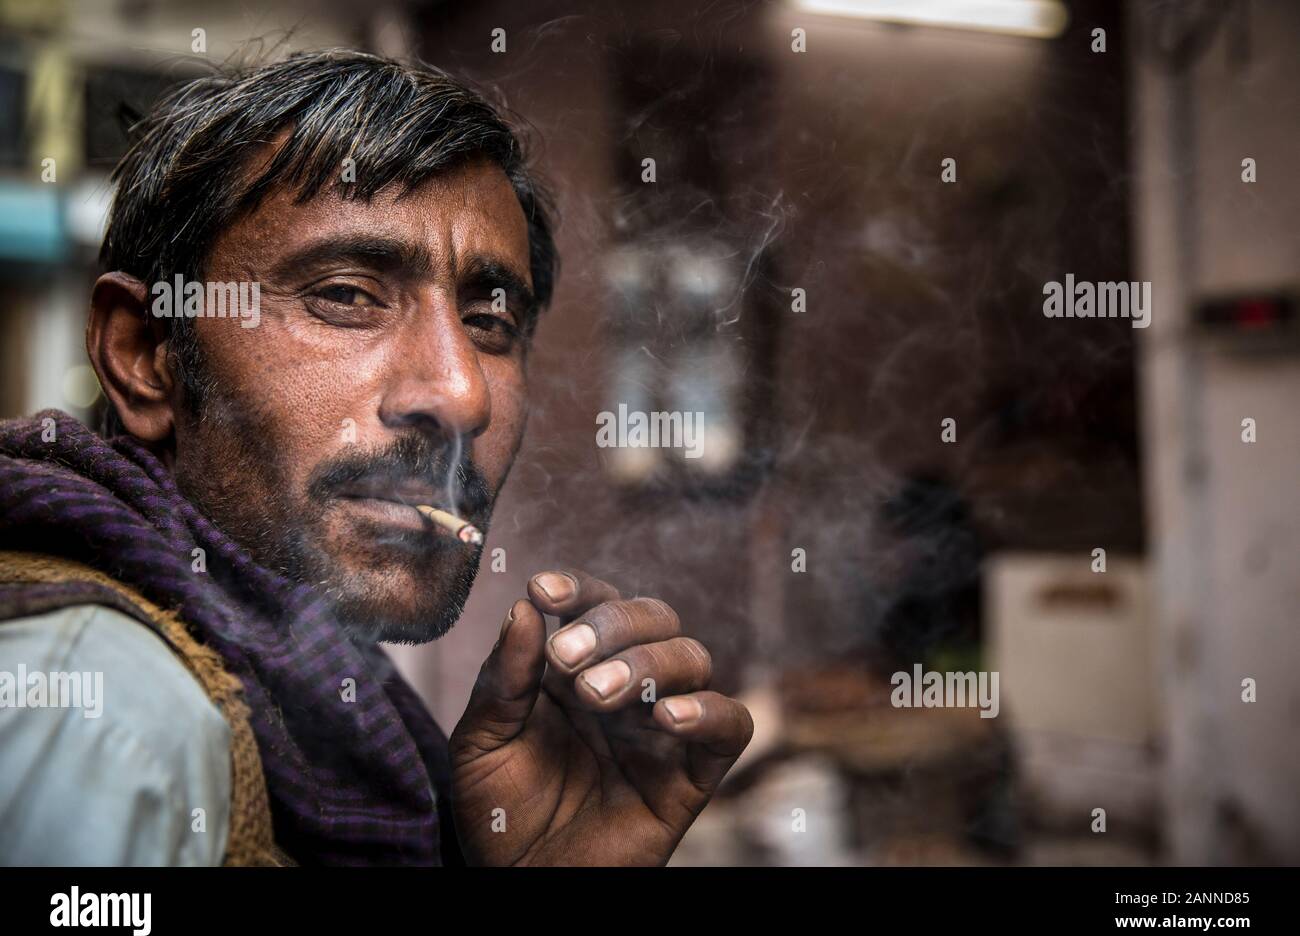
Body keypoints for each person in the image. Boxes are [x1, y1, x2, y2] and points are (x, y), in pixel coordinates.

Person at [0, 50, 752, 866]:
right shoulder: (101, 716)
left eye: (490, 321)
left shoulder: (323, 705)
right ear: (146, 355)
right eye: (347, 294)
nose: (462, 396)